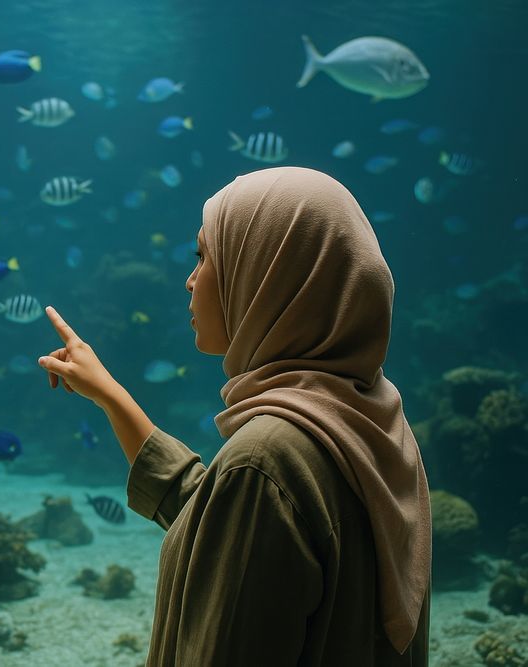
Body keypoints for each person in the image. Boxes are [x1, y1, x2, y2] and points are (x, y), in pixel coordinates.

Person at [38, 166, 431, 666]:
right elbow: (224, 531)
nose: (189, 279)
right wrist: (113, 398)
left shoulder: (267, 459)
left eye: (204, 255)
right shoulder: (370, 424)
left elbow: (244, 507)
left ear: (266, 273)